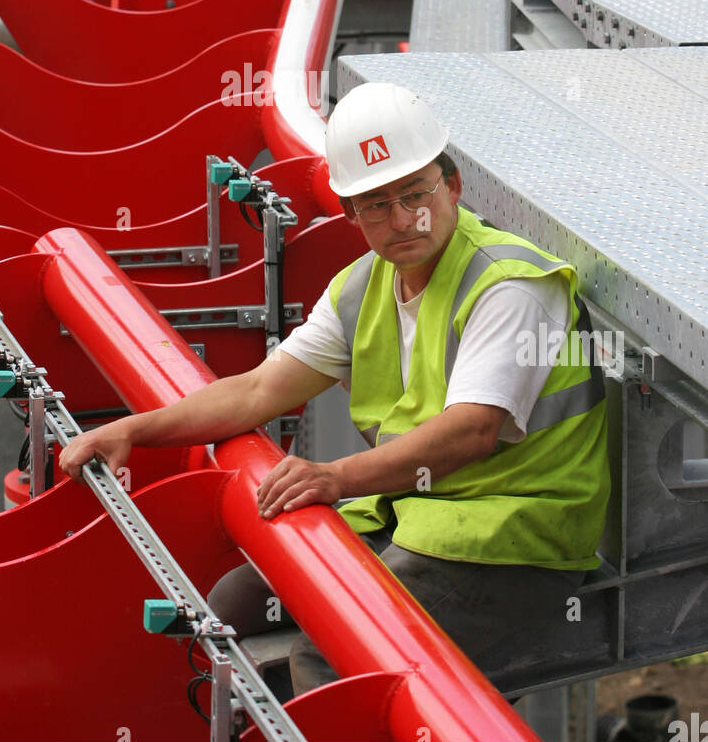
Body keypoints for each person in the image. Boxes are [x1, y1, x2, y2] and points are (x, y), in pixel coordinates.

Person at [59, 82, 610, 695]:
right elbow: (256, 391)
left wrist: (337, 477)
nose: (402, 220)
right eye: (375, 204)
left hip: (514, 532)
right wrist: (132, 430)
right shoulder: (361, 289)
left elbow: (473, 430)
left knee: (335, 664)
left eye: (415, 194)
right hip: (412, 511)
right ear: (350, 215)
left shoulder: (508, 284)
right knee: (232, 601)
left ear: (452, 186)